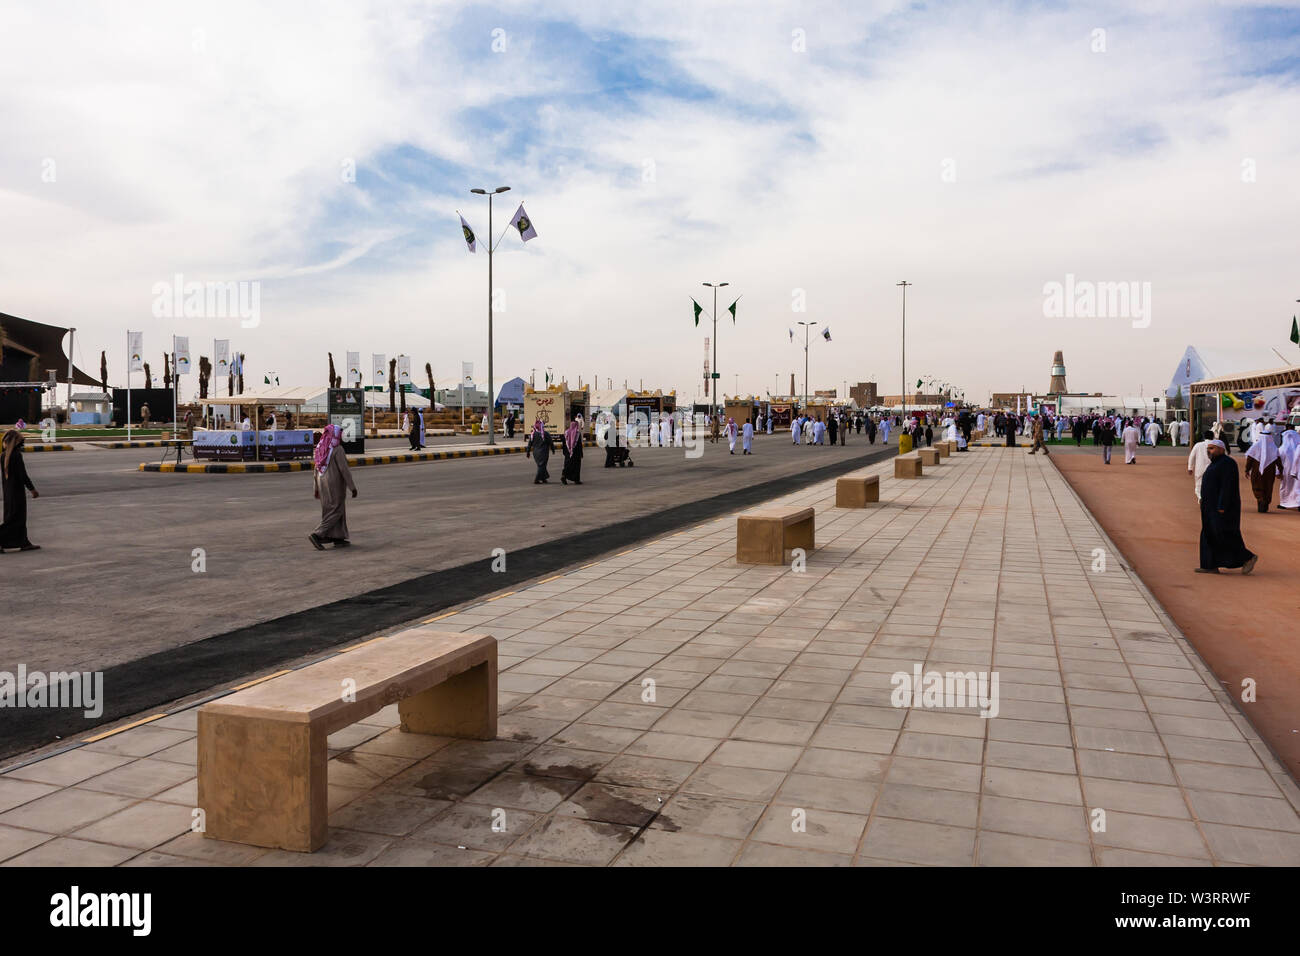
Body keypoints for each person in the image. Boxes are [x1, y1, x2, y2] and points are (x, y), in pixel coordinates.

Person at [1197, 440, 1257, 574]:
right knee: (1209, 535)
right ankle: (1209, 565)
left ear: (1221, 449)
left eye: (1212, 448)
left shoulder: (1227, 463)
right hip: (1210, 507)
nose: (1209, 451)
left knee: (1224, 535)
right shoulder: (1215, 463)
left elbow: (1227, 487)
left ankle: (1248, 557)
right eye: (1208, 448)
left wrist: (1222, 505)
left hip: (1222, 508)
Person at [309, 424, 357, 550]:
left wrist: (315, 488)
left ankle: (338, 537)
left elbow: (316, 469)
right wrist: (352, 487)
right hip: (334, 484)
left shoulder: (320, 447)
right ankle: (317, 534)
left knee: (328, 510)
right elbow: (344, 470)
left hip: (321, 483)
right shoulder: (337, 449)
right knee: (337, 509)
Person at [0, 429, 40, 552]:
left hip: (8, 492)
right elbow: (23, 475)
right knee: (15, 519)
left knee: (15, 519)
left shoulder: (3, 455)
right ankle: (22, 542)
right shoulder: (16, 455)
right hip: (16, 492)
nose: (23, 441)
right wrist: (32, 489)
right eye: (21, 439)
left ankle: (24, 542)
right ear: (16, 441)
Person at [1243, 425, 1281, 513]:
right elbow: (1278, 461)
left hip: (1257, 472)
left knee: (1257, 486)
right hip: (1269, 472)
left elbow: (1249, 459)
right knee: (1268, 487)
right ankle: (1265, 502)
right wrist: (1280, 470)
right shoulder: (1274, 447)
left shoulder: (1255, 447)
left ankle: (1260, 501)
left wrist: (1247, 470)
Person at [1188, 430, 1213, 501]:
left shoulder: (1198, 445)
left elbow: (1192, 456)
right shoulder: (1216, 445)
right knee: (1212, 484)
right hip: (1213, 468)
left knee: (1199, 485)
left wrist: (1190, 468)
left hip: (1200, 468)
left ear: (1204, 437)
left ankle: (1200, 497)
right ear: (1213, 437)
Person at [1278, 428, 1300, 510]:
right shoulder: (1298, 447)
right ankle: (1297, 503)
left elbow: (1278, 462)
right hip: (1297, 472)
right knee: (1297, 488)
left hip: (1286, 471)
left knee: (1285, 487)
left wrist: (1278, 472)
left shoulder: (1282, 449)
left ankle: (1284, 503)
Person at [527, 417, 554, 484]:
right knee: (542, 466)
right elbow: (551, 442)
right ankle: (537, 479)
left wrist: (528, 452)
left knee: (541, 465)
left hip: (535, 453)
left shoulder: (533, 434)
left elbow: (529, 444)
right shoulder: (545, 434)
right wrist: (553, 449)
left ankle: (543, 478)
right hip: (543, 453)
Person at [561, 415, 584, 485]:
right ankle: (576, 480)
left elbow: (564, 444)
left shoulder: (566, 433)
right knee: (576, 466)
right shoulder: (577, 434)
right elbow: (579, 445)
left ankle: (564, 476)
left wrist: (564, 452)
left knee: (567, 465)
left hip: (568, 453)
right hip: (576, 454)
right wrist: (581, 454)